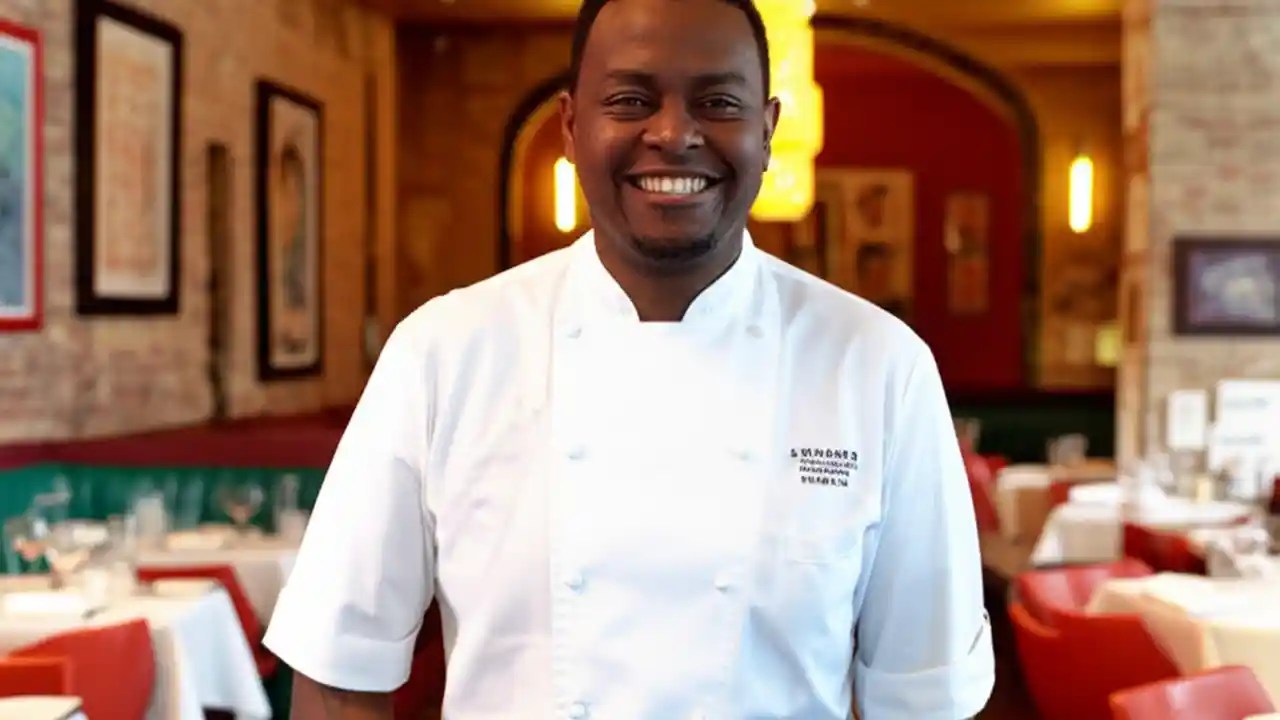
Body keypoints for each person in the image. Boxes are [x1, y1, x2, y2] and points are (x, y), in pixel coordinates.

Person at [263, 0, 995, 717]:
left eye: (717, 101)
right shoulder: (445, 352)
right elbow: (339, 670)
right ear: (573, 126)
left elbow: (925, 697)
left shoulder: (879, 368)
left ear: (768, 131)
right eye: (631, 99)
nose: (674, 135)